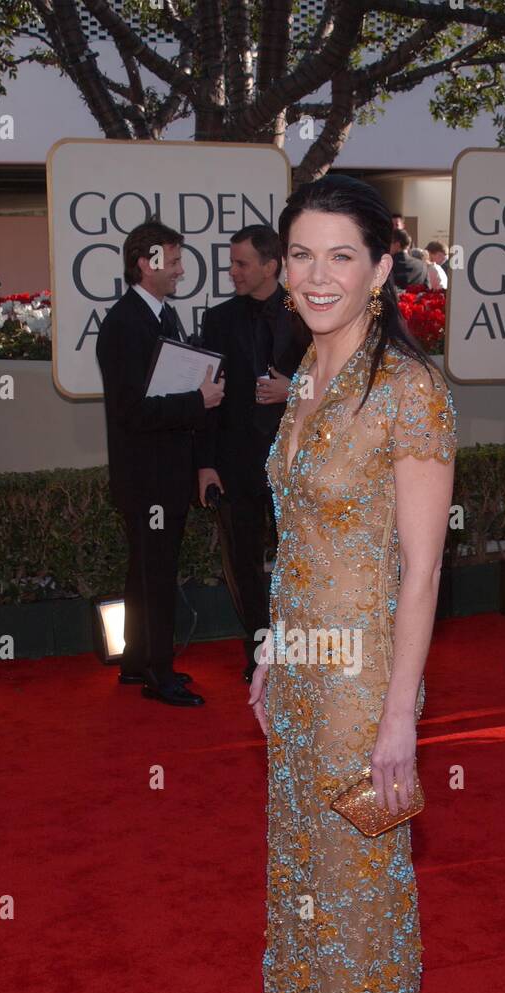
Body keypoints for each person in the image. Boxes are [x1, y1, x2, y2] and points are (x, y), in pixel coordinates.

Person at [250, 173, 457, 993]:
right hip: (297, 679)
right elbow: (294, 538)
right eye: (301, 254)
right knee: (302, 884)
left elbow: (421, 571)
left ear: (381, 267)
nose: (316, 274)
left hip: (361, 689)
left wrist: (398, 720)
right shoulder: (304, 374)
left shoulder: (408, 392)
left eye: (341, 255)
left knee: (360, 894)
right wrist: (270, 653)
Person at [96, 220, 224, 707]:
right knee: (156, 575)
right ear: (144, 264)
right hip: (146, 477)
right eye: (171, 262)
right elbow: (132, 411)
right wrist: (198, 399)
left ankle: (136, 663)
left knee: (144, 572)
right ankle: (158, 673)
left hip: (161, 472)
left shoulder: (160, 317)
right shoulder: (126, 324)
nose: (180, 270)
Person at [196, 225, 309, 680]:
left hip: (296, 461)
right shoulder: (218, 320)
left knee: (299, 560)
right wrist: (205, 463)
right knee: (244, 564)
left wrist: (296, 388)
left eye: (241, 263)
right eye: (232, 263)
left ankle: (299, 650)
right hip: (236, 462)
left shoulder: (307, 312)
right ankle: (261, 652)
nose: (233, 272)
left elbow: (342, 383)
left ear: (270, 265)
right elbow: (207, 397)